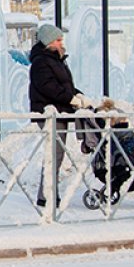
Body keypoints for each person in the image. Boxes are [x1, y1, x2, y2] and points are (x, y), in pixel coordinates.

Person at [28, 23, 90, 207]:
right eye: (58, 39)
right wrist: (70, 99)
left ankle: (47, 194)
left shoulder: (56, 59)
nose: (61, 42)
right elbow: (48, 87)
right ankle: (46, 196)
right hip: (49, 112)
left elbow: (64, 85)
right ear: (48, 41)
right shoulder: (42, 61)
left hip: (59, 112)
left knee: (56, 154)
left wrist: (77, 94)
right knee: (54, 154)